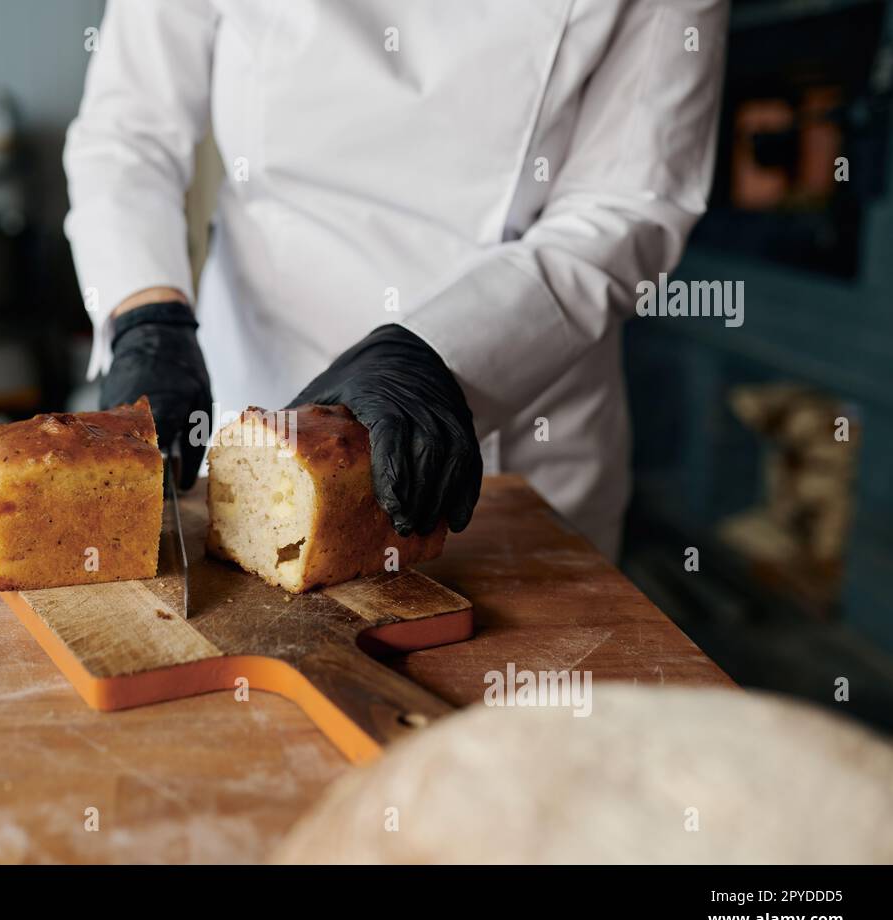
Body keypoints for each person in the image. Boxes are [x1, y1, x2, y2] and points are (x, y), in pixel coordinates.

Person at [64, 0, 728, 559]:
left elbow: (629, 201)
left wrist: (443, 353)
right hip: (262, 410)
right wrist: (146, 313)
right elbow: (129, 132)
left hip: (510, 426)